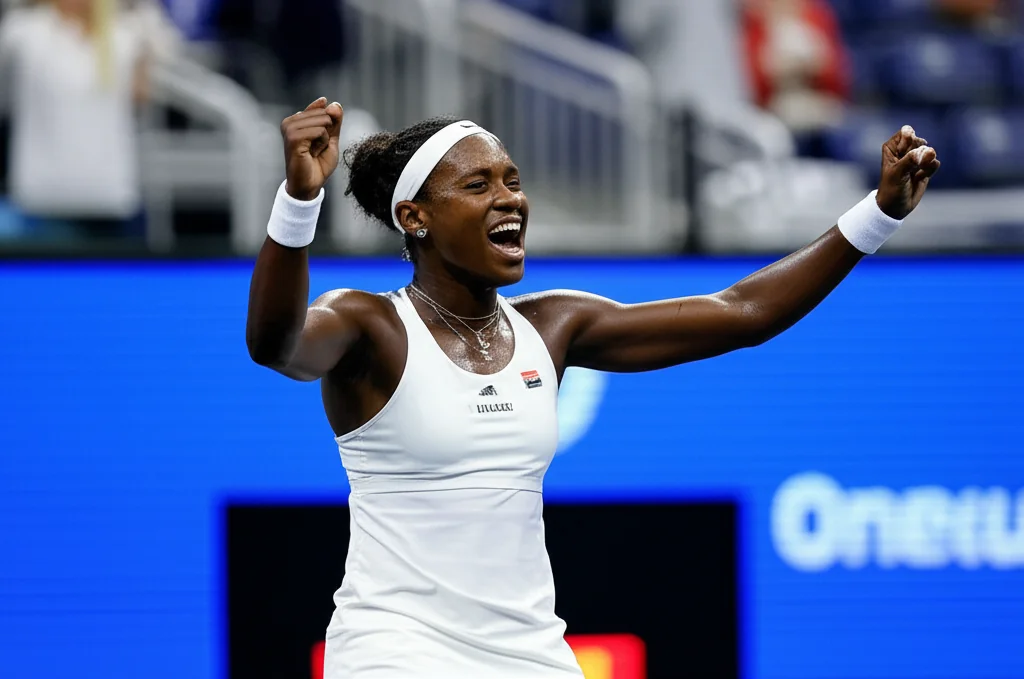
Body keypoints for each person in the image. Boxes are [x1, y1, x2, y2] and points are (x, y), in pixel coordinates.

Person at [246, 97, 940, 678]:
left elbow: (743, 313)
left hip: (532, 655)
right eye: (478, 185)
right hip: (394, 653)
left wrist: (878, 215)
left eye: (512, 180)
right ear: (414, 217)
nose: (510, 198)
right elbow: (275, 344)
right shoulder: (367, 323)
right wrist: (299, 200)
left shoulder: (553, 325)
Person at [0, 0, 180, 241]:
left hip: (109, 196)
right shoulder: (25, 31)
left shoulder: (124, 34)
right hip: (42, 198)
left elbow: (162, 64)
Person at [742, 0, 850, 157]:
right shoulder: (754, 28)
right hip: (775, 108)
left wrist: (814, 67)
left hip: (819, 103)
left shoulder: (817, 18)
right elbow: (754, 86)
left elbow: (838, 78)